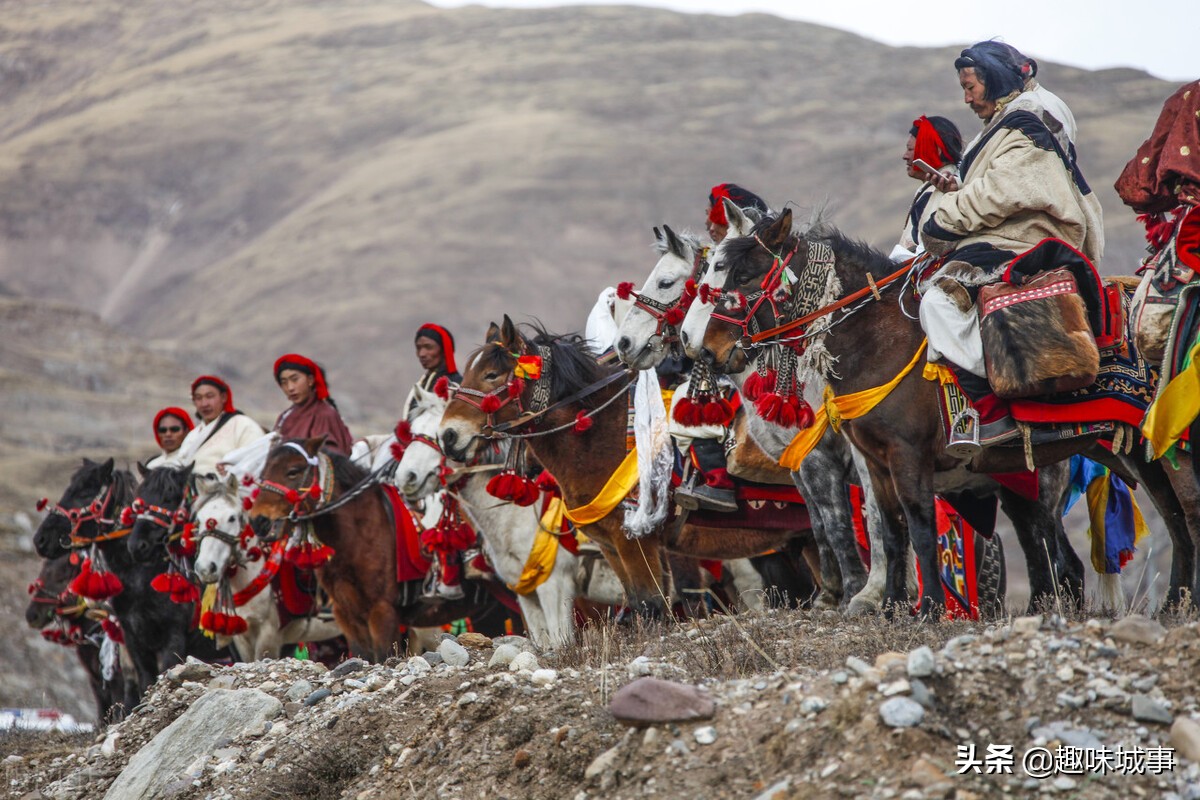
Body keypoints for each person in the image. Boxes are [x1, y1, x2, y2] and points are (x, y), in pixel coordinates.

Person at [918, 40, 1104, 451]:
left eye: (971, 87)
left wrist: (942, 218)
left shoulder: (1027, 120)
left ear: (995, 78)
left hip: (1022, 241)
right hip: (1003, 235)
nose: (966, 99)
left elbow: (1003, 191)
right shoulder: (1006, 125)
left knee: (938, 303)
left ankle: (991, 411)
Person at [890, 115, 963, 262]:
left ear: (936, 150)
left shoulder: (939, 193)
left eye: (911, 149)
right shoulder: (931, 190)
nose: (905, 156)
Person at [176, 376, 266, 476]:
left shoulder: (244, 426)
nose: (204, 404)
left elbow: (255, 464)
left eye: (210, 396)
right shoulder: (192, 436)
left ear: (223, 397)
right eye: (198, 398)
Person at [273, 354, 354, 455]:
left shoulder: (324, 415)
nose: (290, 388)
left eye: (295, 379)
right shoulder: (284, 417)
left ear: (310, 380)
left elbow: (329, 459)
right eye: (284, 382)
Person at [405, 323, 461, 415]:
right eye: (418, 348)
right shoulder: (422, 384)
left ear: (444, 349)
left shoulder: (457, 386)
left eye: (428, 347)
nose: (421, 354)